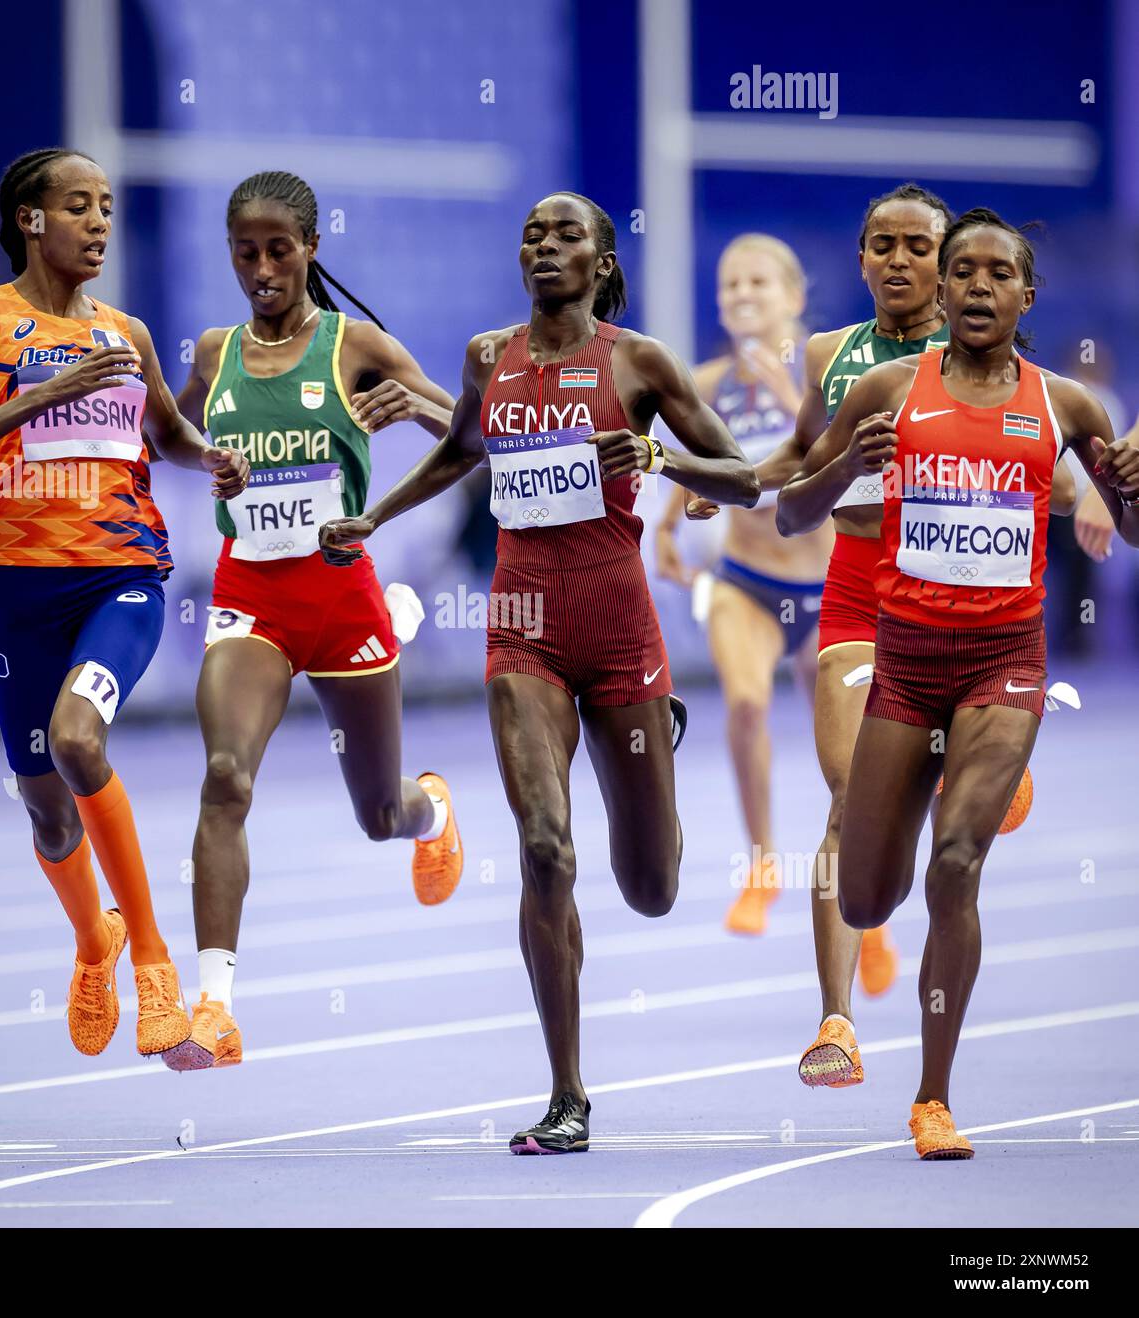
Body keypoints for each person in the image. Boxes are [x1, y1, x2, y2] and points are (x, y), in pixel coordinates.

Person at [319, 192, 758, 1153]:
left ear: (603, 262)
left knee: (652, 887)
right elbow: (460, 451)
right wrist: (375, 519)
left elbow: (744, 476)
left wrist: (657, 456)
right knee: (546, 849)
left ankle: (655, 730)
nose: (544, 246)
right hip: (522, 629)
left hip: (621, 631)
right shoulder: (489, 357)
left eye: (566, 235)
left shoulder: (641, 364)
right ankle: (568, 1094)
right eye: (532, 235)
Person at [795, 207, 1139, 1158]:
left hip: (1004, 661)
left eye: (1000, 273)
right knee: (865, 899)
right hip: (905, 662)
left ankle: (932, 1099)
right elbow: (792, 512)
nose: (980, 286)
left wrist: (1132, 487)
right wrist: (842, 471)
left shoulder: (1068, 406)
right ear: (943, 293)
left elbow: (1133, 530)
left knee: (956, 864)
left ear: (1027, 296)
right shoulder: (885, 389)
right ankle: (942, 774)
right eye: (964, 272)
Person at [0, 148, 248, 1059]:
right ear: (30, 219)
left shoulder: (126, 334)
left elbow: (166, 434)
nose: (99, 223)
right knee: (47, 812)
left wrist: (211, 456)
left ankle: (153, 962)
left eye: (107, 207)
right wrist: (40, 399)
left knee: (77, 739)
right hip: (17, 592)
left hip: (121, 579)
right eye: (78, 206)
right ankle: (95, 943)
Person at [165, 171, 460, 1070]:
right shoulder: (213, 353)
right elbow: (162, 434)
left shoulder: (354, 344)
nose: (262, 270)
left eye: (279, 251)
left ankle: (431, 813)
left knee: (379, 813)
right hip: (249, 597)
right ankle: (214, 1010)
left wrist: (416, 404)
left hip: (341, 602)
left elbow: (478, 434)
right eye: (245, 253)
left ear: (311, 249)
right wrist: (203, 459)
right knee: (225, 779)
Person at [656, 234, 831, 936]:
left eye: (759, 282)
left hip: (830, 587)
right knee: (747, 704)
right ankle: (762, 864)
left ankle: (858, 887)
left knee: (845, 752)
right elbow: (693, 463)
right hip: (746, 580)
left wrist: (789, 392)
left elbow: (836, 456)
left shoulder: (827, 367)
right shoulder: (705, 382)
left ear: (794, 295)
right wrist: (665, 527)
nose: (743, 294)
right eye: (731, 284)